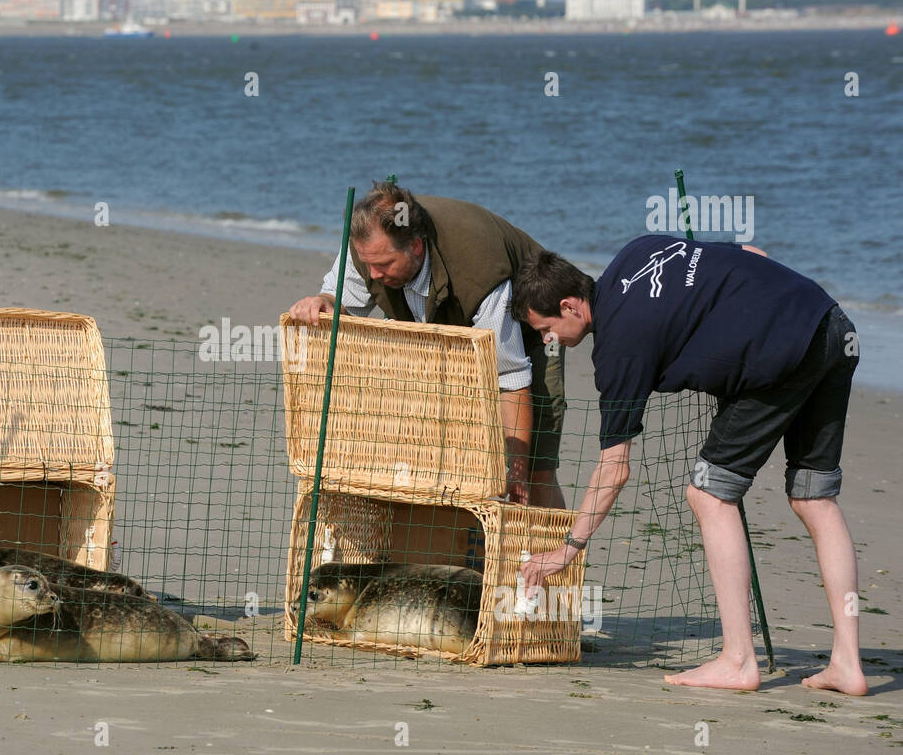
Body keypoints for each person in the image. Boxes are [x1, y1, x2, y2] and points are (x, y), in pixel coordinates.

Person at [512, 235, 866, 695]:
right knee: (815, 498)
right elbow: (752, 255)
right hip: (833, 326)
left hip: (783, 356)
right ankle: (847, 663)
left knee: (709, 493)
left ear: (571, 305)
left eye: (545, 330)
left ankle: (738, 660)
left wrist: (568, 549)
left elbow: (614, 467)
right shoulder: (637, 251)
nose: (548, 340)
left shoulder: (619, 349)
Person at [288, 181, 565, 507]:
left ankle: (558, 554)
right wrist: (321, 302)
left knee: (535, 473)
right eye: (368, 264)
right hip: (452, 330)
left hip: (539, 330)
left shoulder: (480, 273)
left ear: (416, 247)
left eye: (385, 265)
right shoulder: (368, 247)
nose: (374, 275)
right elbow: (339, 301)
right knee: (450, 461)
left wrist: (515, 471)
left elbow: (511, 379)